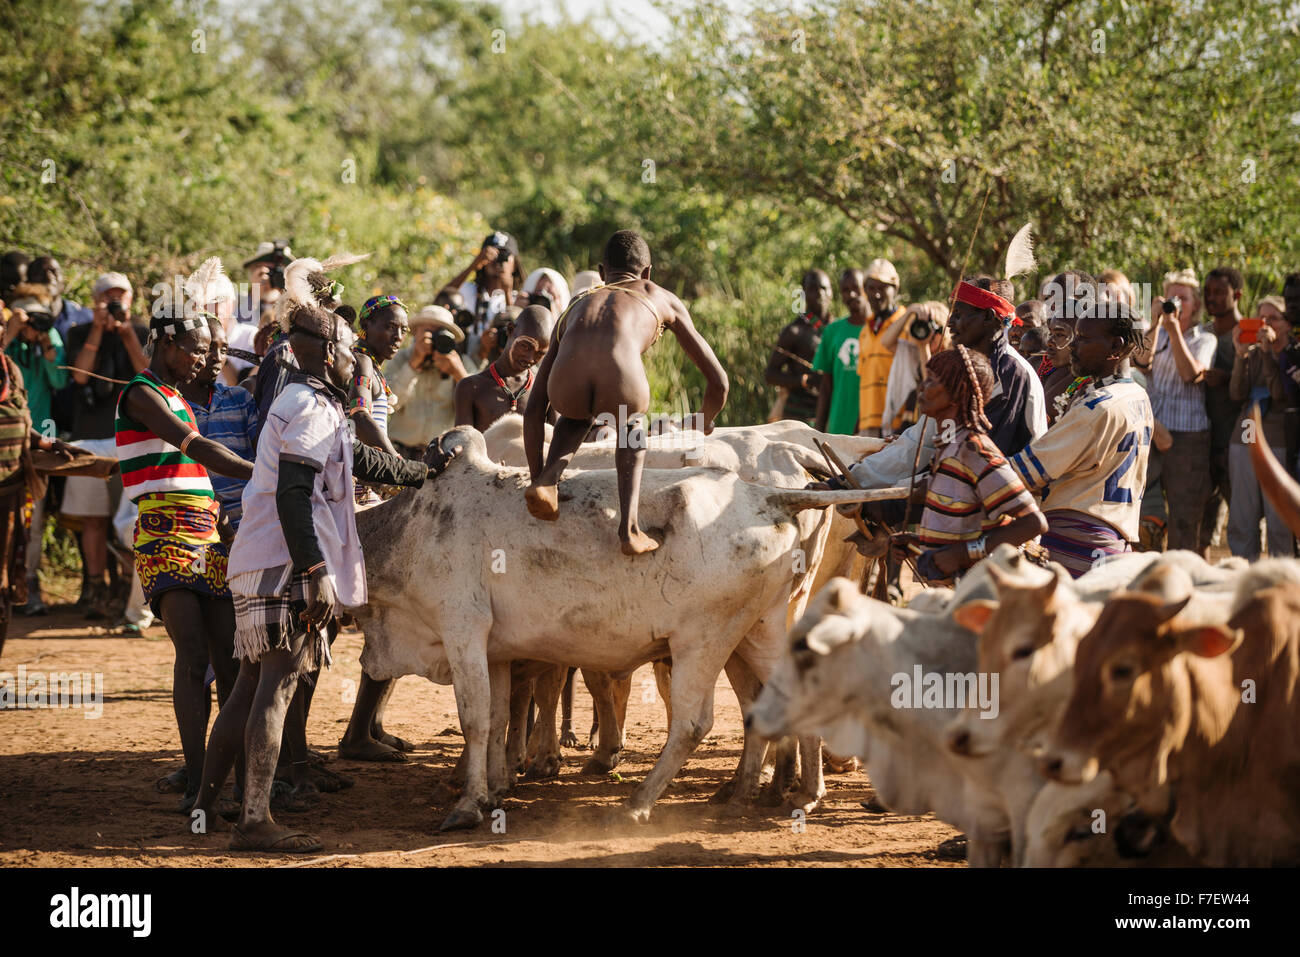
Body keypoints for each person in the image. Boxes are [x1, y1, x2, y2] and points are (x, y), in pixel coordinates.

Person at [189, 296, 438, 852]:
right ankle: (254, 821)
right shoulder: (310, 408)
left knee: (249, 686)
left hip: (261, 556)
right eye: (352, 352)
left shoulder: (309, 402)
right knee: (275, 688)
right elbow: (294, 492)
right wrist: (315, 569)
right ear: (330, 354)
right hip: (285, 560)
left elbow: (362, 461)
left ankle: (204, 808)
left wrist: (425, 470)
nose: (360, 361)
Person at [115, 294, 255, 810]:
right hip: (163, 536)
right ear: (167, 343)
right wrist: (260, 473)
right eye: (196, 349)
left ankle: (234, 786)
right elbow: (193, 447)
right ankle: (199, 786)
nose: (204, 358)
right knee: (193, 655)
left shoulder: (173, 392)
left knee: (230, 660)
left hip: (206, 535)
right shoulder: (142, 393)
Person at [523, 229, 728, 556]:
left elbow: (534, 410)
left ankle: (548, 482)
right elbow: (719, 381)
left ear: (602, 273)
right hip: (620, 381)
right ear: (648, 273)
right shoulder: (658, 294)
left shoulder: (576, 303)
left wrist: (535, 476)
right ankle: (629, 530)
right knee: (630, 424)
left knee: (576, 418)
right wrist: (703, 419)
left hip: (565, 386)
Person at [1008, 301, 1152, 576]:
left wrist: (974, 465)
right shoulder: (1137, 396)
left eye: (1084, 339)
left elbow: (1028, 472)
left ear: (1115, 347)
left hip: (1076, 546)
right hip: (1114, 546)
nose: (1073, 346)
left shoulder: (1097, 408)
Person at [890, 346, 1047, 584]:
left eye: (932, 381)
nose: (921, 388)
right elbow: (966, 526)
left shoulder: (974, 451)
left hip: (981, 593)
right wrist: (920, 543)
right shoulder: (949, 447)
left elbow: (1034, 523)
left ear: (958, 392)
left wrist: (963, 554)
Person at [64, 273, 150, 618]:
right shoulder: (79, 332)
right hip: (91, 435)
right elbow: (80, 376)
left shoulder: (143, 332)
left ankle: (129, 589)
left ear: (131, 299)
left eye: (121, 296)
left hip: (131, 439)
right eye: (108, 297)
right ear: (95, 299)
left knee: (130, 520)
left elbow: (148, 372)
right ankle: (96, 588)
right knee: (93, 520)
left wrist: (127, 332)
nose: (115, 303)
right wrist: (98, 328)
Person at [0, 346, 79, 657]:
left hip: (10, 494)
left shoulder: (10, 369)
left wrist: (47, 442)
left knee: (3, 586)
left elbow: (19, 419)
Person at [1132, 268, 1217, 553]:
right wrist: (1157, 324)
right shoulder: (1156, 332)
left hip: (1188, 440)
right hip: (1152, 436)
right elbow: (1141, 361)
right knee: (1146, 519)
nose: (1177, 304)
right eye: (1171, 297)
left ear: (1196, 306)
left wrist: (1173, 330)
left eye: (1183, 298)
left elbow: (1191, 373)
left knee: (1184, 520)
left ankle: (1188, 580)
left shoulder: (1204, 338)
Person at [3, 284, 68, 614]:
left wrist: (46, 342)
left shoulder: (48, 338)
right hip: (5, 444)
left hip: (39, 437)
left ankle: (28, 583)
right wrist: (11, 332)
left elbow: (59, 382)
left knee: (33, 516)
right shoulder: (7, 340)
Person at [1225, 302, 1296, 559]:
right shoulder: (1252, 353)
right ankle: (1244, 576)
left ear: (1287, 323)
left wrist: (1267, 353)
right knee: (1242, 516)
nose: (1266, 324)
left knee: (1279, 519)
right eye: (1261, 318)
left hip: (1277, 435)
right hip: (1246, 431)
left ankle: (1283, 580)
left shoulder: (1291, 354)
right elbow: (1236, 393)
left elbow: (1279, 395)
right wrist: (1240, 355)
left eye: (1273, 318)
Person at [385, 305, 474, 458]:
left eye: (439, 332)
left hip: (440, 455)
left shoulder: (461, 363)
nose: (433, 337)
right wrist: (413, 365)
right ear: (415, 333)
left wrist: (458, 373)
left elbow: (477, 404)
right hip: (398, 452)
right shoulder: (400, 359)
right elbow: (389, 403)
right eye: (428, 331)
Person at [1199, 266, 1245, 554]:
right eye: (1207, 292)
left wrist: (1229, 379)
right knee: (1201, 529)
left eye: (1219, 292)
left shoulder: (1249, 334)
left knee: (1244, 522)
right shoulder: (1201, 334)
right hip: (1204, 443)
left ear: (1237, 295)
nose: (1211, 298)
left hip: (1239, 442)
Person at [454, 304, 553, 431]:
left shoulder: (545, 389)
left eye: (540, 353)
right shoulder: (470, 387)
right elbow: (464, 444)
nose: (530, 358)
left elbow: (556, 442)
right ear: (510, 330)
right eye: (525, 346)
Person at [763, 269, 832, 425]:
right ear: (804, 294)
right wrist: (804, 380)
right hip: (800, 416)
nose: (820, 293)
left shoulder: (838, 329)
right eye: (813, 289)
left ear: (832, 292)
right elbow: (770, 374)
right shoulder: (794, 331)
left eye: (824, 288)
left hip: (832, 412)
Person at [349, 295, 408, 458]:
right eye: (390, 327)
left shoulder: (369, 365)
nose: (398, 336)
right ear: (366, 326)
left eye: (403, 330)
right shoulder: (361, 361)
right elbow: (359, 416)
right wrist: (395, 462)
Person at [812, 269, 869, 435]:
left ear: (866, 289)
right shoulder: (832, 331)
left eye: (856, 288)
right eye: (845, 290)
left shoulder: (881, 330)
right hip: (838, 427)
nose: (851, 294)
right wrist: (818, 431)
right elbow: (826, 386)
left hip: (872, 428)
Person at [880, 300, 948, 437]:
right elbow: (885, 341)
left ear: (941, 331)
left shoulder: (949, 357)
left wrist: (924, 348)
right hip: (908, 426)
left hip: (933, 431)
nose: (924, 333)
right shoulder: (912, 351)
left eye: (928, 328)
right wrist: (909, 312)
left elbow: (930, 384)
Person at [855, 259, 906, 436]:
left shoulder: (907, 324)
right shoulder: (864, 331)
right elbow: (864, 383)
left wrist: (907, 424)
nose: (876, 294)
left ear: (896, 289)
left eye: (883, 288)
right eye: (871, 288)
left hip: (898, 425)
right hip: (868, 427)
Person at [447, 232, 520, 355]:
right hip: (464, 354)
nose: (499, 262)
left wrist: (507, 292)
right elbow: (443, 297)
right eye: (494, 255)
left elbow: (518, 329)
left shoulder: (518, 298)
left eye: (504, 255)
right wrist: (474, 265)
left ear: (515, 264)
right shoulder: (467, 290)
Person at [25, 257, 92, 341]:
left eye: (53, 271)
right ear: (29, 282)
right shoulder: (21, 319)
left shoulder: (86, 317)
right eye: (40, 273)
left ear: (63, 280)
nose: (48, 277)